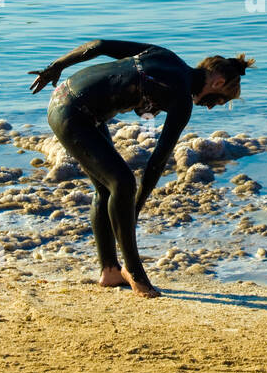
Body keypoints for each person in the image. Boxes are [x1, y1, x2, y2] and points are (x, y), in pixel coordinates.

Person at [29, 41, 252, 298]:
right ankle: (135, 274)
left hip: (69, 99)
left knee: (105, 188)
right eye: (221, 101)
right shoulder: (181, 98)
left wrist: (55, 67)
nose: (212, 106)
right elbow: (157, 161)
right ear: (218, 82)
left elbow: (99, 46)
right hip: (72, 113)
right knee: (122, 184)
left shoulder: (165, 55)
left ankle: (110, 271)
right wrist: (135, 207)